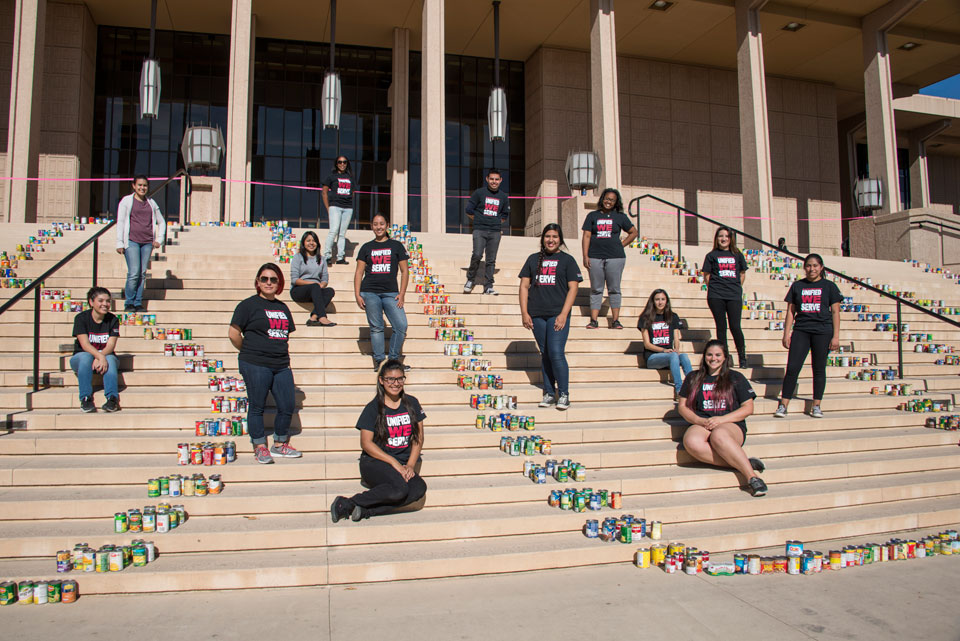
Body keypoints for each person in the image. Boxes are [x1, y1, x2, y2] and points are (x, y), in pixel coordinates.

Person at [330, 359, 427, 522]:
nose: (395, 383)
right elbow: (366, 443)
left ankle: (365, 511)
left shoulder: (412, 403)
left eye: (399, 379)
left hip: (402, 464)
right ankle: (347, 503)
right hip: (375, 463)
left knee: (418, 489)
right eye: (390, 379)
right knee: (399, 490)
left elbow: (419, 438)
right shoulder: (373, 407)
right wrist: (394, 463)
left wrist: (410, 465)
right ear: (381, 380)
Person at [229, 263, 301, 464]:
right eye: (264, 279)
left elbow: (284, 335)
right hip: (255, 362)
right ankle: (259, 446)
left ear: (279, 284)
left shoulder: (282, 307)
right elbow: (233, 334)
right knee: (257, 406)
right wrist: (249, 351)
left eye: (273, 279)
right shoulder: (247, 305)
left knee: (287, 405)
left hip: (281, 364)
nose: (269, 283)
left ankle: (279, 443)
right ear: (257, 282)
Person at [677, 340, 767, 497]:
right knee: (691, 442)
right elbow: (682, 406)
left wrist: (722, 420)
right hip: (703, 421)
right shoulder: (693, 377)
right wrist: (699, 421)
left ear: (725, 357)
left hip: (730, 424)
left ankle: (752, 477)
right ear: (704, 356)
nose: (713, 358)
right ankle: (743, 462)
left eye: (718, 355)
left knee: (719, 435)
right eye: (709, 354)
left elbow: (748, 408)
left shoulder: (736, 377)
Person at [519, 223, 583, 411]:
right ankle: (548, 393)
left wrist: (564, 314)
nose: (551, 240)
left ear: (560, 240)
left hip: (558, 314)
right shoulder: (532, 259)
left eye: (555, 236)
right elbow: (524, 286)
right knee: (545, 353)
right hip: (537, 314)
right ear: (542, 239)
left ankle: (563, 394)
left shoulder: (568, 260)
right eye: (547, 236)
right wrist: (524, 312)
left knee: (556, 352)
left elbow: (574, 288)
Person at [774, 254, 842, 419]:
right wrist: (786, 333)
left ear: (821, 267)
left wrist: (836, 336)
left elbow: (835, 311)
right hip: (801, 331)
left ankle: (816, 405)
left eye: (815, 266)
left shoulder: (829, 286)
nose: (811, 269)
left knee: (818, 369)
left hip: (823, 331)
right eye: (808, 266)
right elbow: (791, 311)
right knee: (792, 368)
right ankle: (783, 404)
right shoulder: (797, 286)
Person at [355, 213, 410, 371]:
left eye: (381, 224)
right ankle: (380, 361)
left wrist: (402, 293)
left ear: (387, 226)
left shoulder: (396, 245)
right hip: (369, 292)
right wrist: (357, 294)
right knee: (377, 327)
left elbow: (405, 271)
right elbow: (359, 272)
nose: (378, 227)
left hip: (391, 293)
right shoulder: (366, 247)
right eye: (375, 224)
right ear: (372, 226)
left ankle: (392, 361)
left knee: (401, 326)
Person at [581, 188, 638, 329]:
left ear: (616, 202)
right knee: (596, 289)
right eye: (607, 198)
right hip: (595, 257)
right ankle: (594, 320)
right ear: (602, 199)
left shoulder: (620, 216)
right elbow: (586, 236)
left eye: (612, 200)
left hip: (615, 257)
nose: (608, 202)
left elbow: (633, 232)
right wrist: (585, 255)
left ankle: (615, 320)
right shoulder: (592, 216)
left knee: (614, 289)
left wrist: (621, 244)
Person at [115, 175, 165, 312]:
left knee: (142, 273)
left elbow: (161, 221)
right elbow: (120, 221)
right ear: (134, 186)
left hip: (147, 242)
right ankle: (129, 302)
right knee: (134, 272)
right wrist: (119, 242)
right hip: (131, 241)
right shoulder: (126, 201)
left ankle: (138, 302)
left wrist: (159, 239)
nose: (142, 188)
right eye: (140, 185)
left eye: (145, 186)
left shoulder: (151, 203)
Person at [702, 226, 748, 369]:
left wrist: (734, 287)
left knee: (735, 326)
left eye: (726, 236)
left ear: (730, 239)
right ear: (716, 239)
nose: (723, 239)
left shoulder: (737, 254)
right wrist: (717, 288)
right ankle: (725, 359)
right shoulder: (711, 255)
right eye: (720, 236)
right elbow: (707, 276)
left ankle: (742, 356)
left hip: (733, 295)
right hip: (716, 295)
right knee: (721, 327)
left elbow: (742, 273)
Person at [70, 286, 121, 413]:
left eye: (108, 301)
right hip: (81, 357)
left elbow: (111, 345)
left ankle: (112, 399)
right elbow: (85, 344)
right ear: (91, 302)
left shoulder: (113, 320)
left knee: (110, 359)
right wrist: (99, 357)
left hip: (106, 356)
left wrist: (101, 356)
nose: (105, 304)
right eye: (101, 300)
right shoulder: (81, 318)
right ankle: (86, 398)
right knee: (86, 356)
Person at [638, 289, 691, 401]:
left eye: (663, 299)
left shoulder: (673, 316)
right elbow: (647, 344)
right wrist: (663, 350)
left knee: (684, 356)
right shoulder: (645, 317)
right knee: (673, 356)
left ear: (667, 301)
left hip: (670, 355)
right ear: (653, 301)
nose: (660, 302)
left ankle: (693, 388)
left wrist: (676, 349)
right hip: (652, 357)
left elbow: (676, 338)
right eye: (657, 299)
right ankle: (679, 391)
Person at [463, 168, 510, 296]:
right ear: (487, 179)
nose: (494, 182)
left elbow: (505, 215)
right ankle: (470, 279)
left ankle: (488, 286)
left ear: (500, 180)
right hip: (480, 229)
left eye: (496, 179)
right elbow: (468, 210)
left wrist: (495, 223)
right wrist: (479, 220)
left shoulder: (503, 197)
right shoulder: (479, 193)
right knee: (477, 254)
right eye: (491, 179)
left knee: (491, 260)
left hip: (495, 232)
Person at [289, 231, 337, 327]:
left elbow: (324, 278)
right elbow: (294, 279)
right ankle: (322, 316)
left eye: (314, 241)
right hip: (299, 290)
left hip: (316, 290)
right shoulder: (298, 257)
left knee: (330, 291)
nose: (311, 243)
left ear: (317, 243)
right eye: (308, 241)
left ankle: (313, 317)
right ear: (303, 243)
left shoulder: (322, 259)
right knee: (314, 286)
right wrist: (312, 284)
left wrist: (321, 285)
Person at [322, 156, 354, 265]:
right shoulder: (331, 177)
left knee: (342, 234)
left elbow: (352, 193)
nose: (342, 164)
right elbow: (324, 192)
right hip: (335, 206)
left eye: (344, 162)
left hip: (348, 208)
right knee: (334, 231)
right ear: (336, 164)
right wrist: (328, 207)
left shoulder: (350, 178)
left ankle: (340, 257)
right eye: (340, 162)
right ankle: (327, 255)